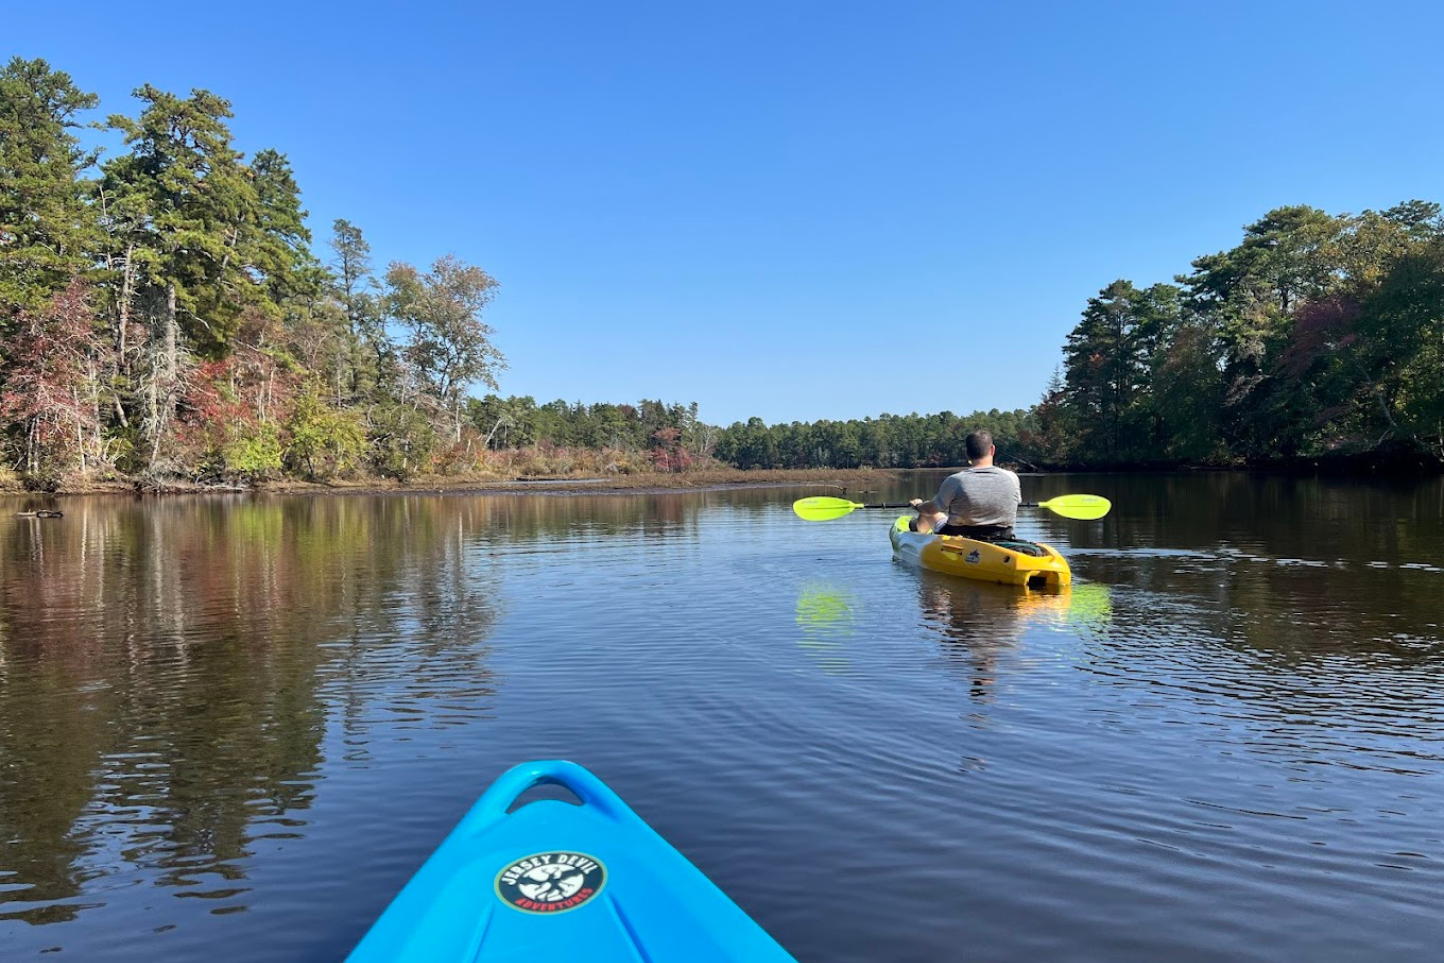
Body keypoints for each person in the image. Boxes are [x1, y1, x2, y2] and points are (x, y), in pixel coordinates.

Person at [908, 430, 1021, 540]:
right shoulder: (1012, 478)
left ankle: (918, 534)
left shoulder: (955, 481)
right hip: (1001, 536)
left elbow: (930, 510)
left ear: (967, 453)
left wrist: (918, 505)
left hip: (959, 538)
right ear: (992, 450)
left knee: (928, 512)